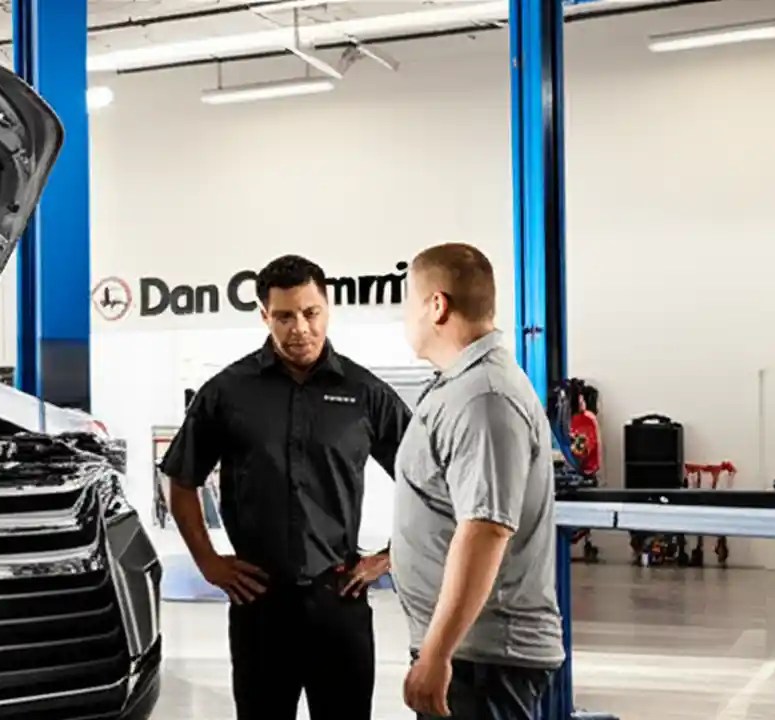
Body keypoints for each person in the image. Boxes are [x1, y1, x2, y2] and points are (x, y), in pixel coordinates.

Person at [158, 253, 411, 720]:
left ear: (328, 308)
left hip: (339, 600)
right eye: (284, 316)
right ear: (264, 316)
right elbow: (181, 478)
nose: (300, 328)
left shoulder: (365, 393)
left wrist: (392, 556)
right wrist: (209, 562)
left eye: (311, 313)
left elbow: (426, 484)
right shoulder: (226, 392)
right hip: (259, 604)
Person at [392, 242, 565, 719]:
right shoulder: (460, 386)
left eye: (409, 302)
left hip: (483, 659)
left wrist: (437, 653)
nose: (406, 317)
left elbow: (486, 528)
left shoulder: (483, 397)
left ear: (437, 306)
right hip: (471, 652)